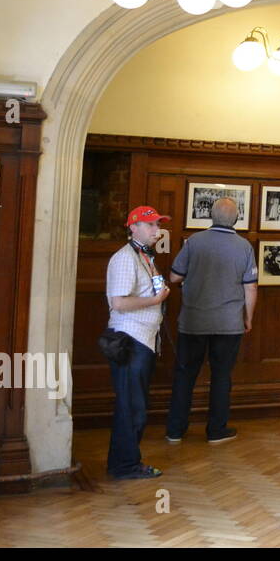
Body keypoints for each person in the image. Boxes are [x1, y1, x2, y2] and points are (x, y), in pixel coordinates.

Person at [166, 197, 257, 444]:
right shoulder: (244, 247)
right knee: (221, 376)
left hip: (194, 321)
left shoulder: (194, 242)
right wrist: (248, 318)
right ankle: (216, 430)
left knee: (185, 375)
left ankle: (175, 430)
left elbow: (174, 277)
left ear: (211, 216)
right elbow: (250, 289)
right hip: (229, 323)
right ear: (236, 218)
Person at [104, 205, 172, 480]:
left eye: (158, 224)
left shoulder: (144, 256)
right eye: (151, 225)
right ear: (133, 227)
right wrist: (155, 301)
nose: (157, 230)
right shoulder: (124, 259)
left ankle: (126, 462)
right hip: (130, 341)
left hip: (143, 340)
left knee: (135, 406)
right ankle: (125, 466)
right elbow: (118, 303)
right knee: (131, 408)